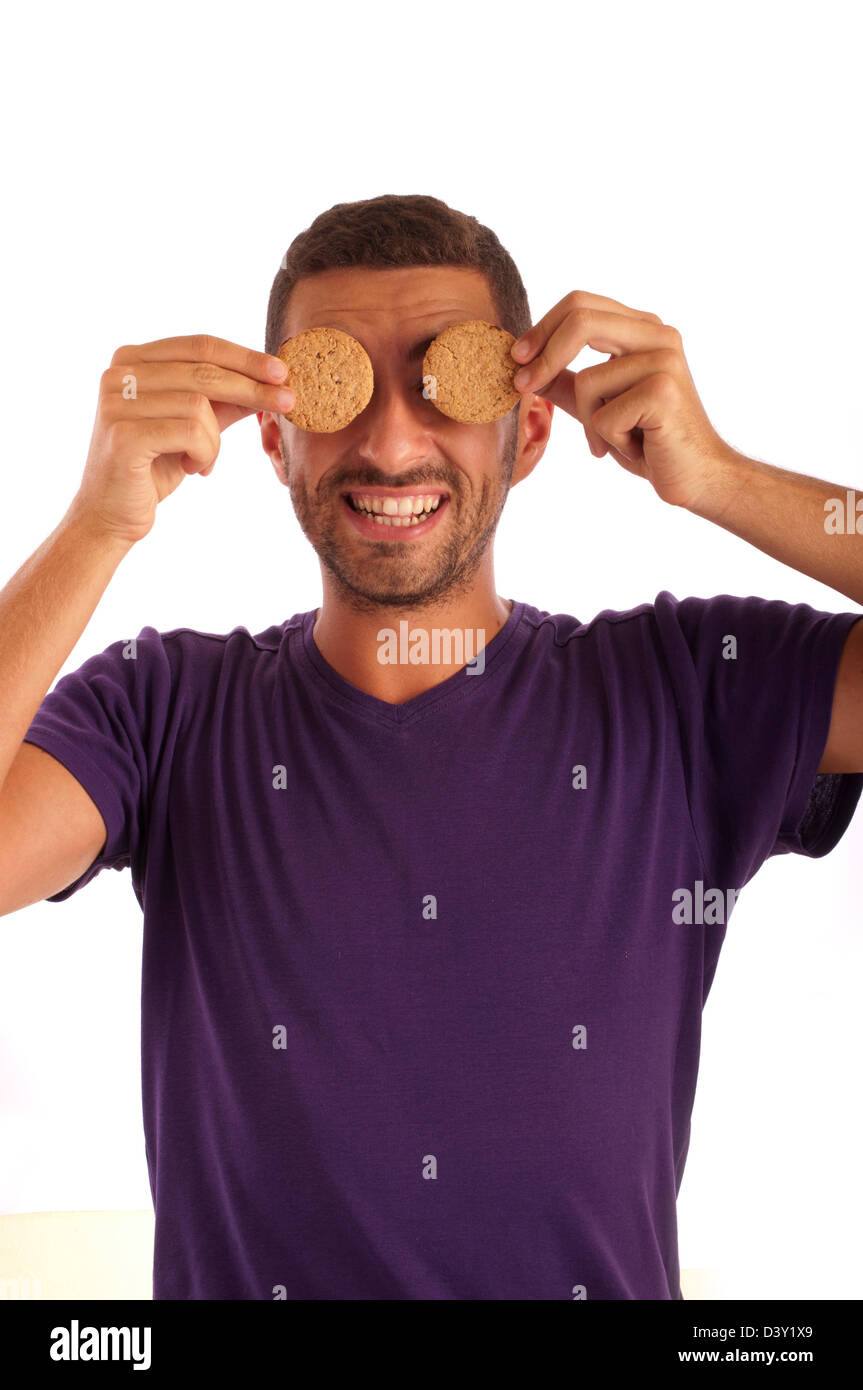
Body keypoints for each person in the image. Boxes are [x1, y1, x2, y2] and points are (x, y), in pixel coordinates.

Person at [1, 193, 861, 1301]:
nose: (392, 439)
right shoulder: (164, 709)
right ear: (273, 431)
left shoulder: (686, 688)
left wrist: (718, 475)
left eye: (438, 381)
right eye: (341, 381)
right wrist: (94, 526)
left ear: (530, 426)